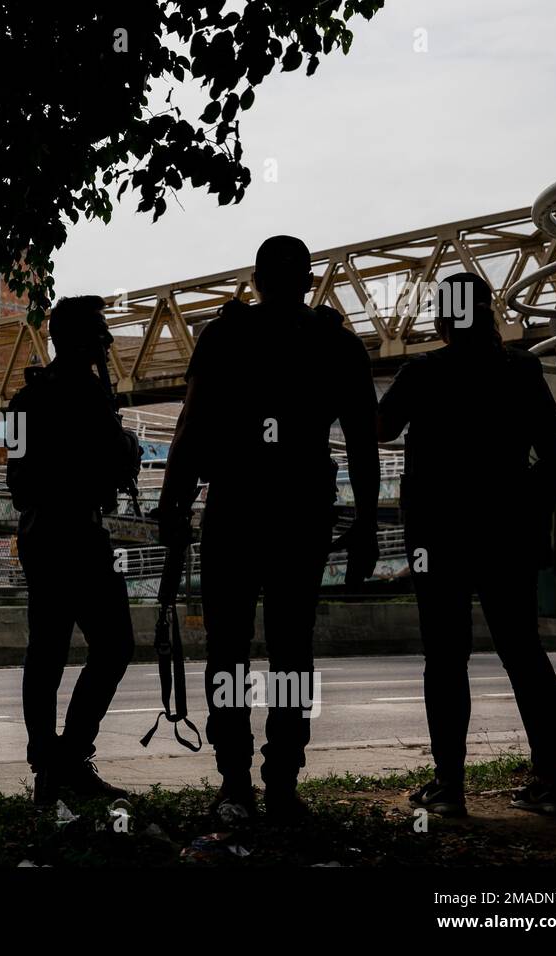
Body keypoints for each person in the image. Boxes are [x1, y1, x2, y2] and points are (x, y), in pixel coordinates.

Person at [158, 235, 380, 824]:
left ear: (254, 280)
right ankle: (281, 782)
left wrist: (173, 506)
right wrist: (365, 526)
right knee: (291, 652)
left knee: (228, 652)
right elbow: (362, 443)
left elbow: (191, 426)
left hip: (235, 510)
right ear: (309, 282)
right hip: (301, 514)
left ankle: (235, 783)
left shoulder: (226, 335)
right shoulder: (335, 344)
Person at [378, 272, 556, 817]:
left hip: (439, 536)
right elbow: (551, 451)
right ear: (486, 313)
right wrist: (537, 520)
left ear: (442, 317)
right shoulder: (521, 369)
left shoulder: (424, 372)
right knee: (524, 651)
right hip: (507, 532)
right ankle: (551, 785)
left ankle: (449, 787)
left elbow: (380, 429)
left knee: (445, 657)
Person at [7, 294, 140, 806]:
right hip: (76, 534)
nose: (106, 341)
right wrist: (119, 443)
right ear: (85, 339)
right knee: (113, 646)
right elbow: (118, 459)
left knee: (47, 654)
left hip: (41, 534)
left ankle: (51, 765)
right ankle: (68, 759)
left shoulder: (27, 399)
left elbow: (18, 481)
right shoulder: (86, 393)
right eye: (100, 332)